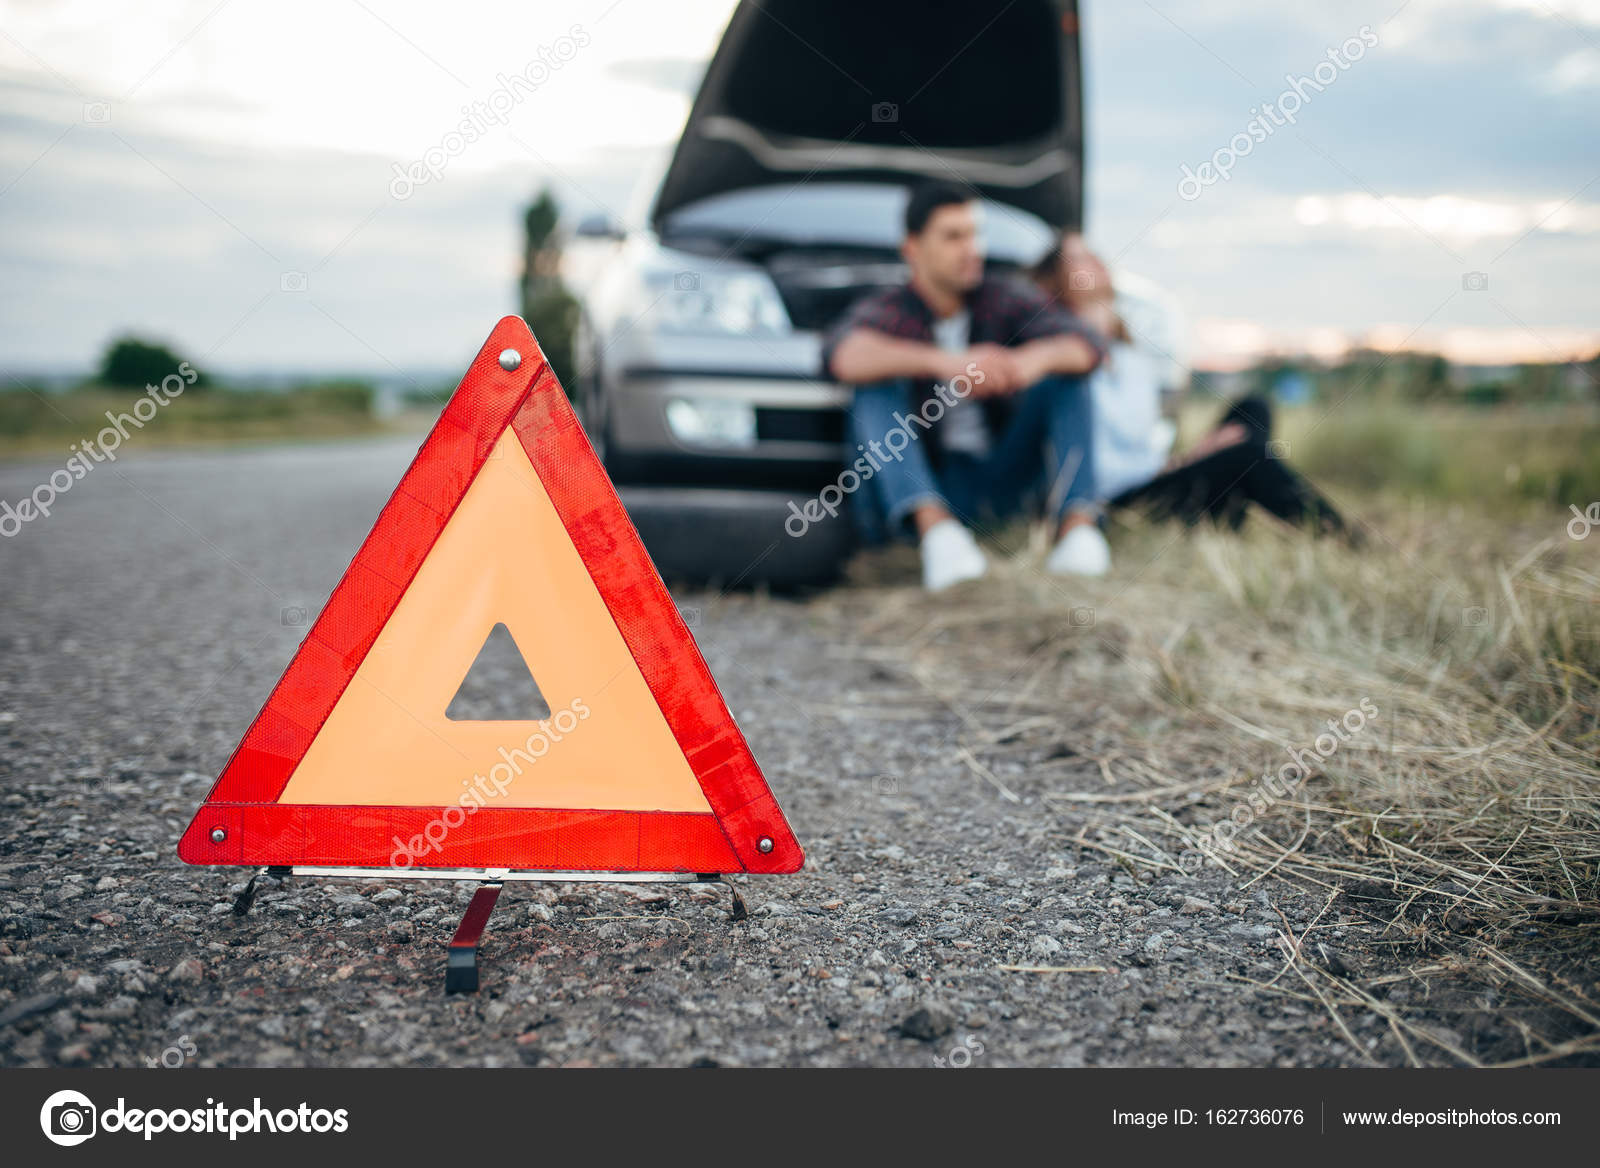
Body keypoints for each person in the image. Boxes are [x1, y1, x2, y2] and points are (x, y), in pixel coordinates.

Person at [822, 182, 1112, 592]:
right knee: (873, 385)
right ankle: (938, 535)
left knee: (1068, 376)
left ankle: (1079, 531)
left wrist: (1024, 364)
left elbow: (1088, 345)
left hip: (1000, 477)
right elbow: (843, 355)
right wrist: (949, 364)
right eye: (954, 236)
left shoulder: (1004, 296)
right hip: (929, 483)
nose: (971, 248)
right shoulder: (888, 308)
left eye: (975, 234)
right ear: (913, 249)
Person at [1032, 234, 1356, 541]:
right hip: (1117, 503)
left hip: (1153, 478)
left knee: (1253, 409)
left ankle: (1225, 509)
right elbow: (1088, 464)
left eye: (1093, 252)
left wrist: (1194, 457)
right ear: (1056, 281)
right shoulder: (1055, 358)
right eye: (1078, 258)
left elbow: (1142, 450)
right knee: (1247, 454)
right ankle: (1341, 536)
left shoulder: (1129, 355)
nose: (1096, 260)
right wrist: (1190, 462)